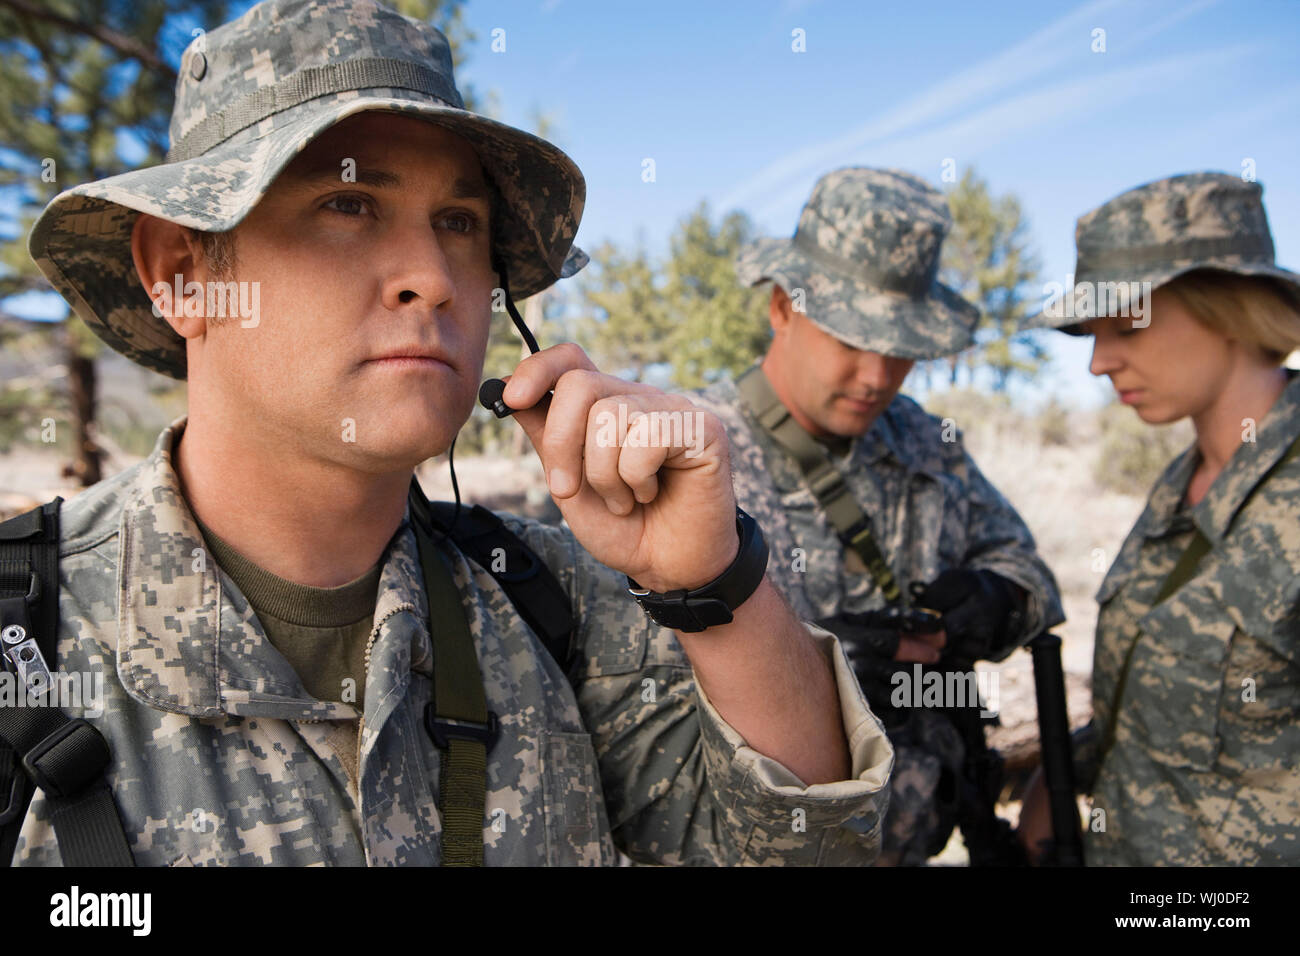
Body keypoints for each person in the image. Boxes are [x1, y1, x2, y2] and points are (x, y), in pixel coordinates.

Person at [1, 0, 894, 867]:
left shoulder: (555, 602)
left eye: (460, 224)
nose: (432, 278)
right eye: (348, 205)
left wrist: (714, 583)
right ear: (181, 272)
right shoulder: (27, 635)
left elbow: (814, 852)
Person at [689, 167, 1064, 865]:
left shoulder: (926, 442)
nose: (877, 376)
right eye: (853, 340)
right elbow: (640, 692)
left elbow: (1030, 576)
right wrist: (816, 665)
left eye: (900, 349)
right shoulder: (696, 453)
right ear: (782, 308)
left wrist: (986, 603)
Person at [1017, 171, 1300, 866]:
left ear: (1228, 307)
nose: (1097, 361)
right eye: (1091, 330)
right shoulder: (1181, 490)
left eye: (1126, 324)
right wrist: (1058, 780)